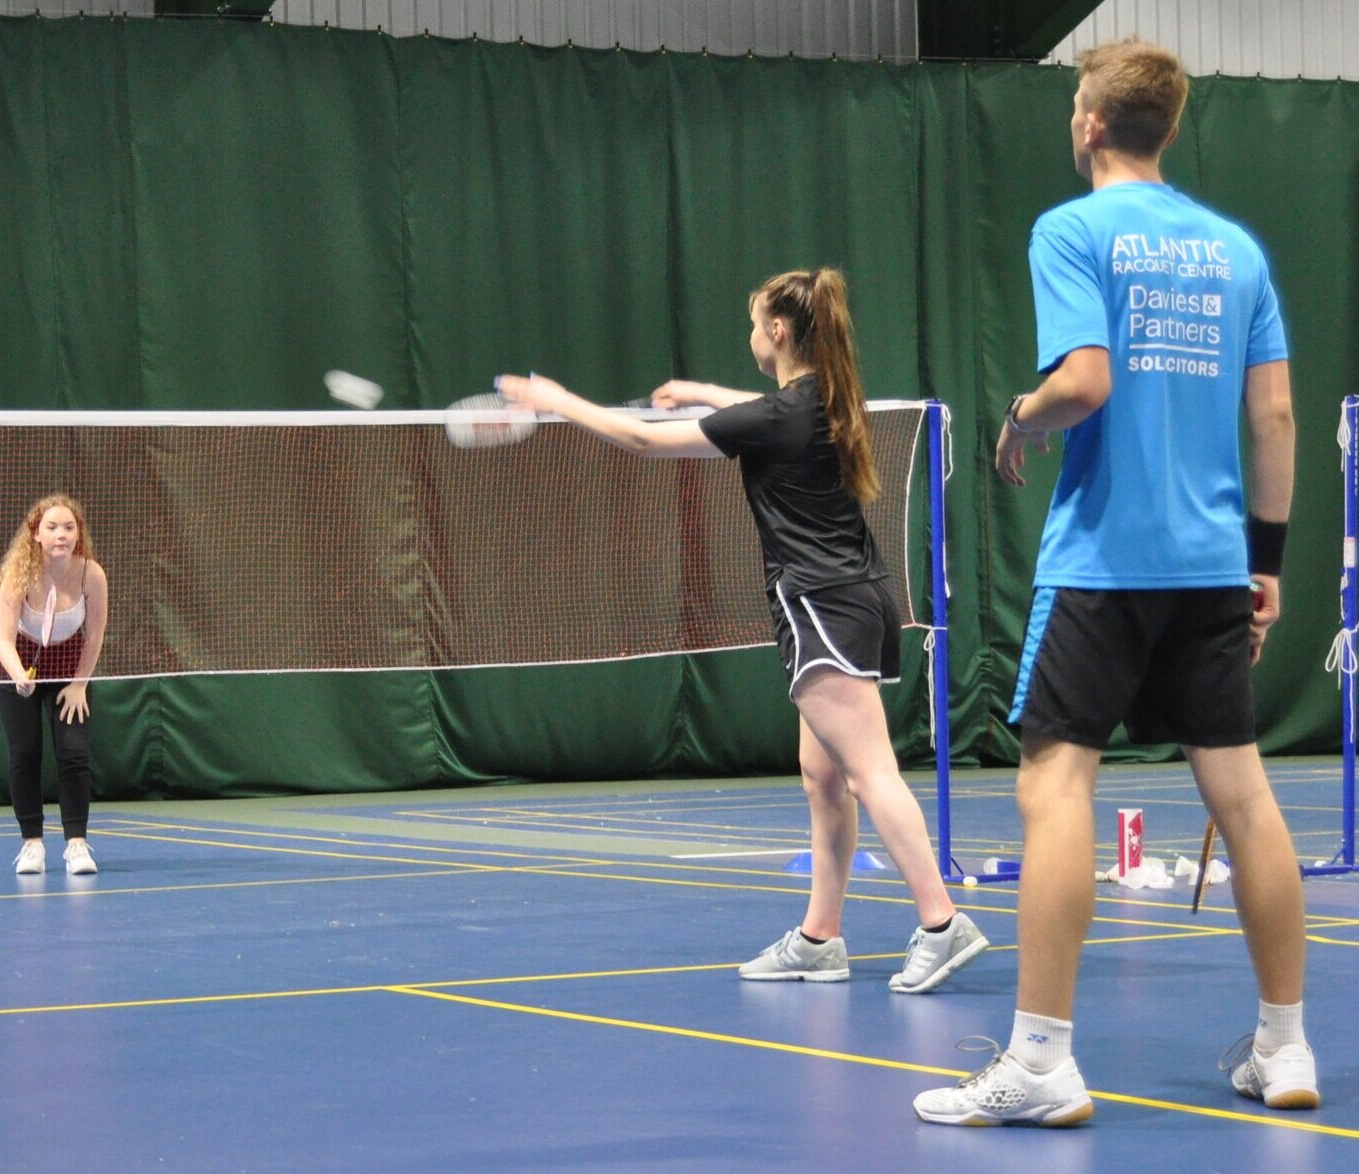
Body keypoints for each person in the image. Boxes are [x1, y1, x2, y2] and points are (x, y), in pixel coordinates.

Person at [913, 39, 1313, 1127]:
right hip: (1213, 564)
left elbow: (1084, 381)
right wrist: (1264, 564)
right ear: (1167, 131)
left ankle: (1041, 1059)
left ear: (1089, 124)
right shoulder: (1234, 252)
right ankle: (1284, 1045)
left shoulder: (1072, 229)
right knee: (1243, 797)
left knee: (1054, 788)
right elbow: (1273, 418)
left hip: (1100, 561)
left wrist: (1018, 416)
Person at [499, 267, 986, 995]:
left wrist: (557, 400)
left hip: (819, 603)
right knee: (825, 779)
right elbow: (764, 409)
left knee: (868, 772)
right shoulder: (823, 395)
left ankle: (943, 924)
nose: (751, 335)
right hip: (857, 598)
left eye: (756, 324)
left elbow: (640, 441)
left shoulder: (780, 416)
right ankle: (820, 938)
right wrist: (698, 393)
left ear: (779, 332)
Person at [0, 494, 109, 876]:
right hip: (19, 667)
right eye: (52, 527)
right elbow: (3, 641)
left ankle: (76, 846)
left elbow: (94, 636)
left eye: (69, 527)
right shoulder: (18, 574)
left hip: (70, 670)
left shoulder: (91, 573)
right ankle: (32, 846)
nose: (62, 534)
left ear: (79, 534)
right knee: (24, 753)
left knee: (73, 753)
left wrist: (78, 685)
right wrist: (18, 676)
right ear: (36, 534)